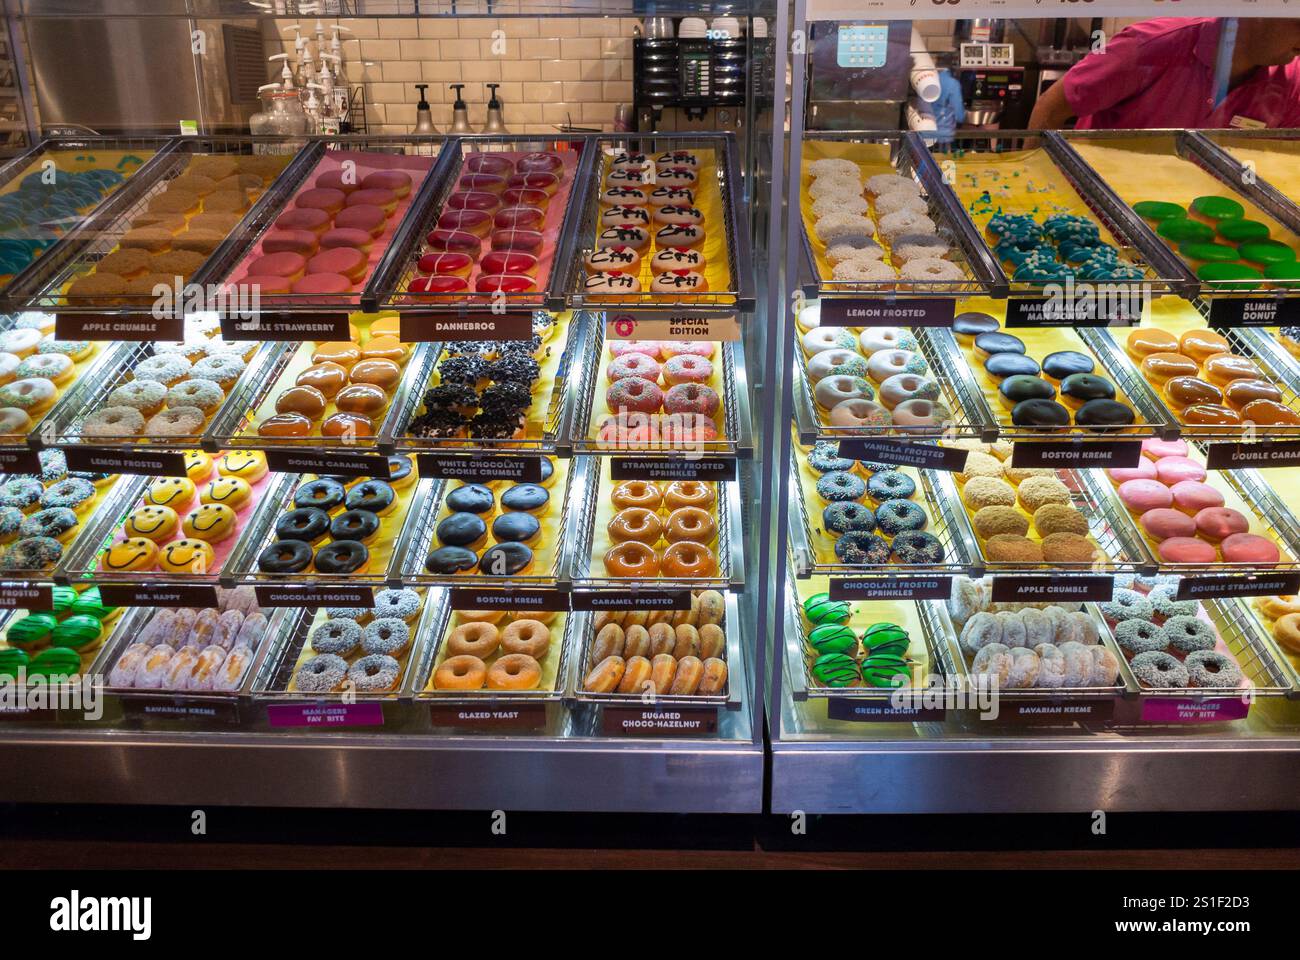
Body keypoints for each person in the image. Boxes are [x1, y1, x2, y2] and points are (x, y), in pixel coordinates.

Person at [1029, 17, 1300, 130]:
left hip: (1202, 235)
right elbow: (1051, 108)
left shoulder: (1292, 81)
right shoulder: (1150, 46)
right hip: (1099, 221)